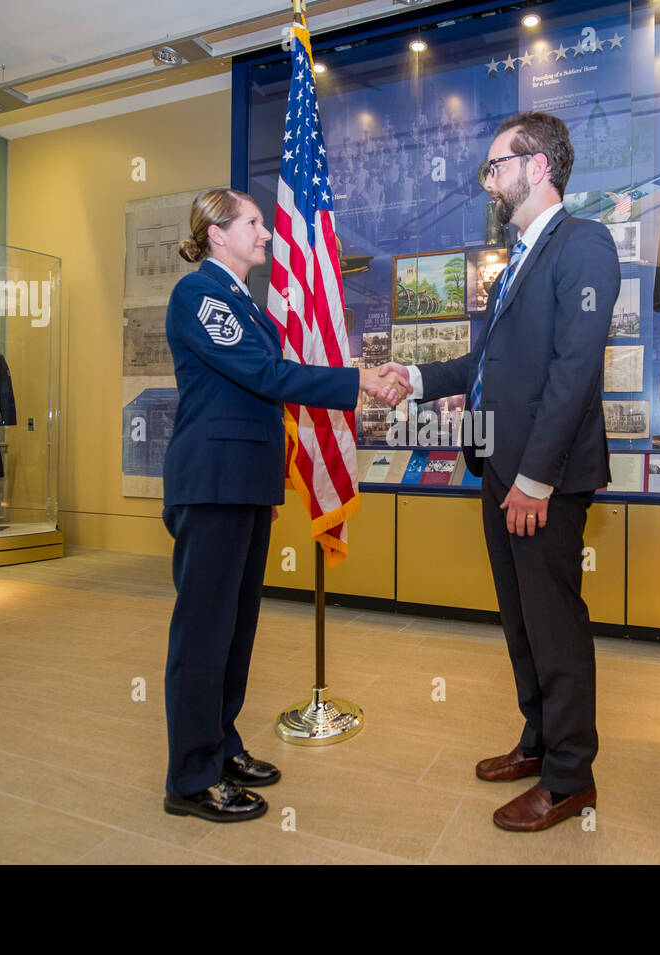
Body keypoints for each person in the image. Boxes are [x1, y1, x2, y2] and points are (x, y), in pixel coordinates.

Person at [380, 111, 620, 832]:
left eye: (496, 165)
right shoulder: (513, 264)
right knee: (520, 622)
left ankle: (571, 777)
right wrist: (413, 376)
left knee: (555, 626)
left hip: (541, 480)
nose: (489, 180)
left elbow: (575, 371)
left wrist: (537, 479)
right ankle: (538, 740)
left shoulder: (585, 245)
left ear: (536, 166)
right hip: (500, 471)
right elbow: (483, 367)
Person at [161, 188, 409, 823]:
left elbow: (276, 375)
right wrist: (360, 383)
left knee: (237, 629)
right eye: (253, 224)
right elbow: (267, 377)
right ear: (217, 234)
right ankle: (190, 777)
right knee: (203, 633)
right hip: (212, 483)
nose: (266, 235)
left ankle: (221, 745)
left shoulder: (245, 304)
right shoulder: (199, 295)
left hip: (245, 484)